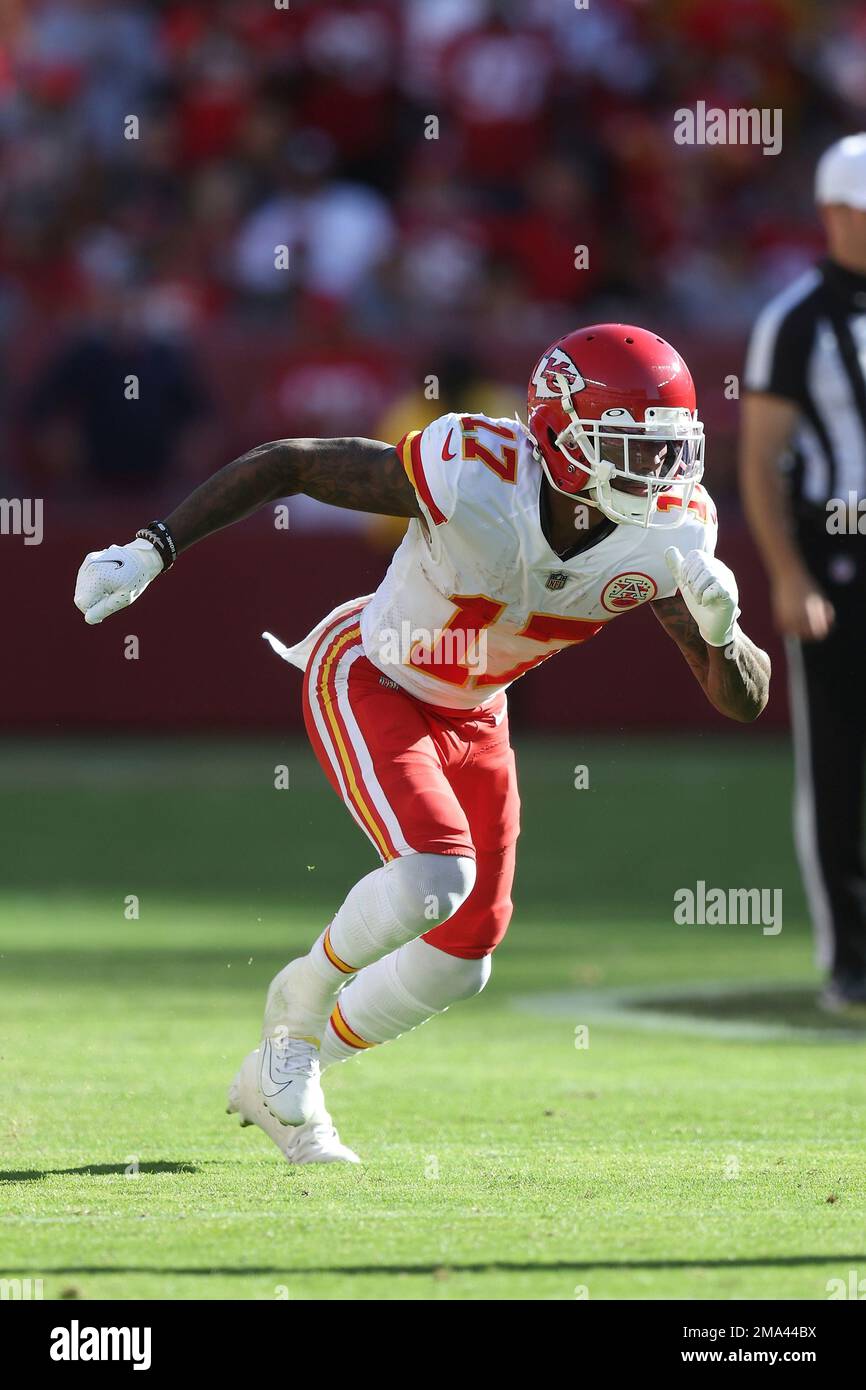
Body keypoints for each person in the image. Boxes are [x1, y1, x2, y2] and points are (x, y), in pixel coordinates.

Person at [74, 323, 770, 1163]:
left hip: (478, 709)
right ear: (560, 435)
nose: (657, 473)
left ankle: (285, 1070)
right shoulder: (477, 470)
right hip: (374, 672)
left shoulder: (672, 531)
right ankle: (291, 1019)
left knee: (463, 959)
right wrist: (154, 548)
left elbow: (741, 701)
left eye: (668, 450)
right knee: (436, 876)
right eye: (630, 446)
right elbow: (291, 461)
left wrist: (726, 634)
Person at [740, 134, 866, 1012]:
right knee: (839, 761)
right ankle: (851, 959)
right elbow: (761, 460)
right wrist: (787, 572)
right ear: (835, 214)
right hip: (839, 557)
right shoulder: (797, 320)